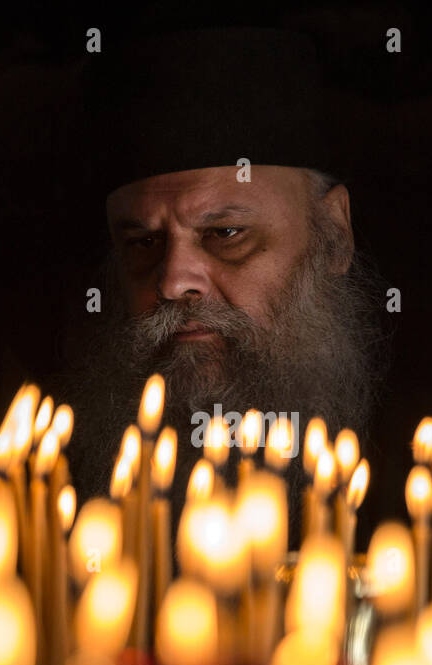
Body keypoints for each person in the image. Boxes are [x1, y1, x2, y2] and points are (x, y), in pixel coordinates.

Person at [64, 28, 387, 515]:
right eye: (143, 243)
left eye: (226, 233)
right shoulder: (56, 473)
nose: (173, 282)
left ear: (334, 237)